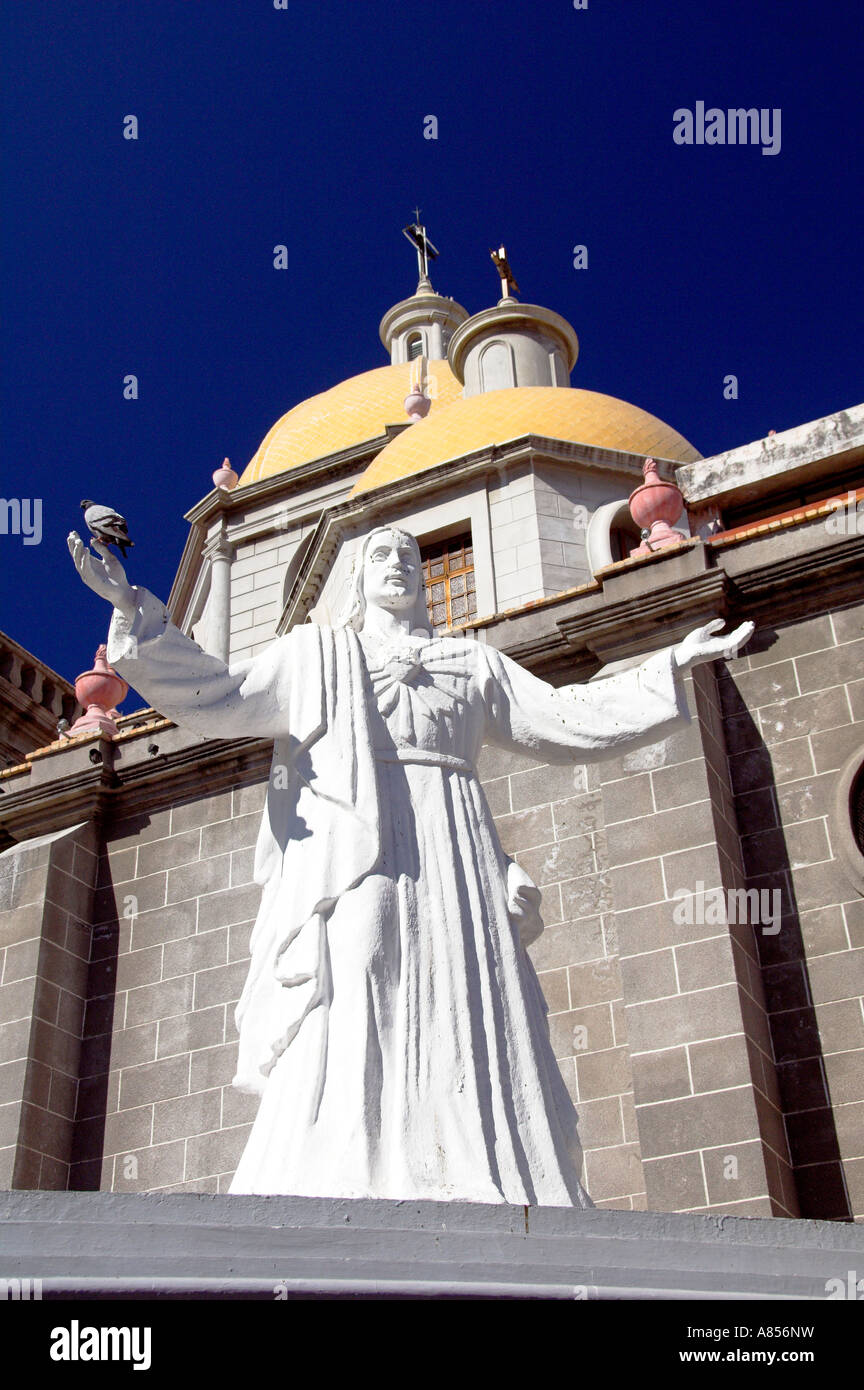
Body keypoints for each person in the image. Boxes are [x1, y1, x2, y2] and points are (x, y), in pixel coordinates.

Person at [67, 523, 752, 1205]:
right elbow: (219, 693)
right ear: (356, 581)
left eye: (410, 556)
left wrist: (667, 667)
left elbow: (561, 717)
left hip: (455, 842)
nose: (397, 565)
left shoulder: (472, 663)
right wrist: (134, 615)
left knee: (467, 986)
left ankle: (478, 1162)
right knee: (358, 960)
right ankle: (344, 1159)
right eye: (380, 557)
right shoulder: (317, 654)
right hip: (355, 841)